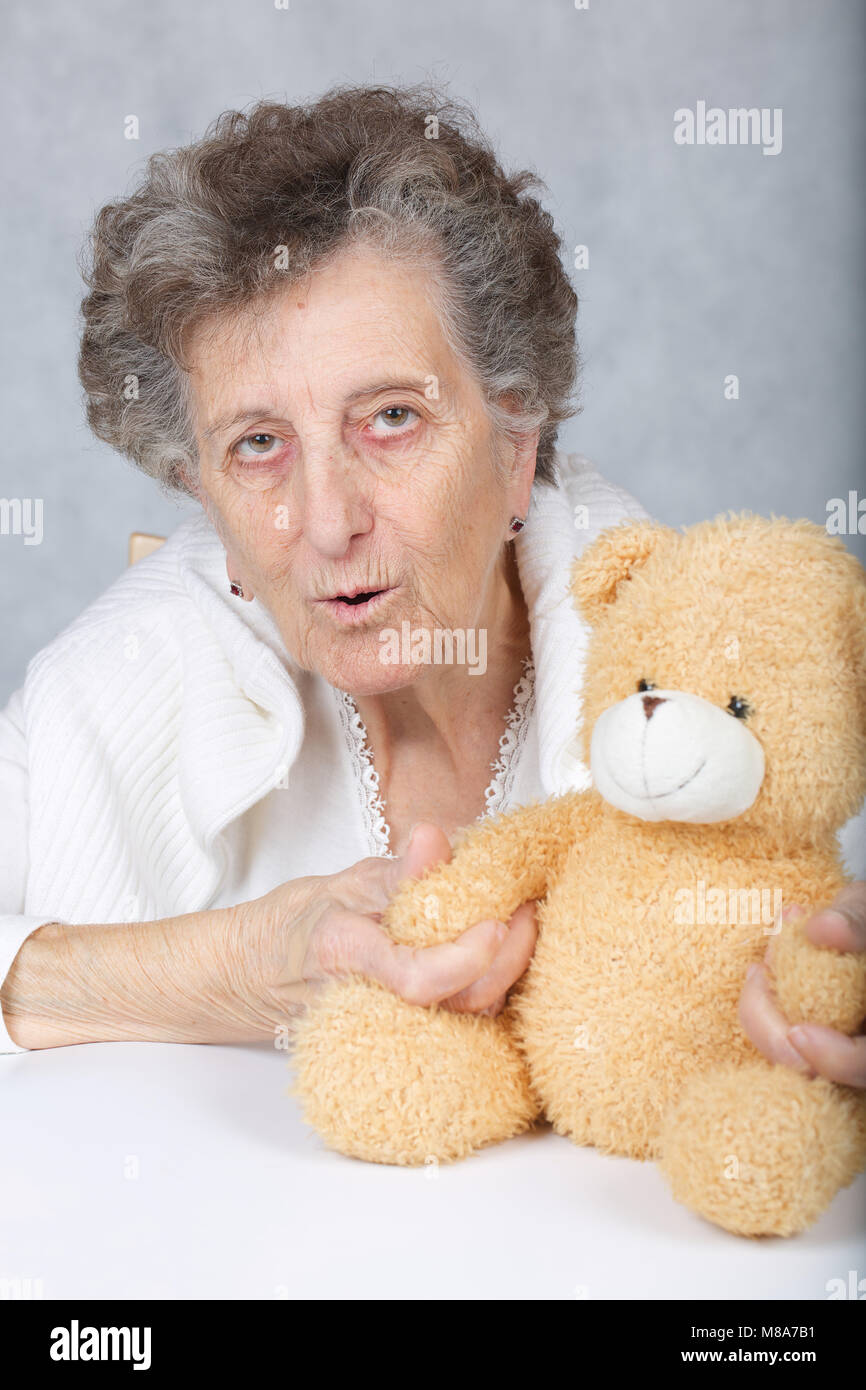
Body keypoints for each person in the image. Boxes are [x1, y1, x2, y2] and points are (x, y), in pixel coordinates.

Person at [1, 85, 863, 1090]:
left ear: (512, 447)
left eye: (391, 419)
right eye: (259, 444)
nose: (327, 520)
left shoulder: (670, 639)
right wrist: (240, 963)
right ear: (204, 500)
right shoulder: (119, 678)